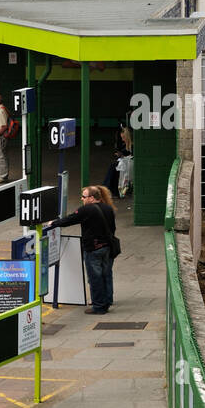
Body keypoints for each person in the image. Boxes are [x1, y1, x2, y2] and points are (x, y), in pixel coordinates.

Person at [48, 185, 117, 315]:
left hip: (93, 249)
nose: (82, 199)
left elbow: (70, 219)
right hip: (107, 247)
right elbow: (113, 228)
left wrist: (53, 224)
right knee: (105, 275)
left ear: (91, 198)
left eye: (84, 197)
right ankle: (107, 300)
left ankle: (99, 306)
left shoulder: (86, 210)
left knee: (95, 278)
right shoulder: (108, 209)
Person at [102, 123, 133, 195]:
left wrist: (122, 155)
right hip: (124, 161)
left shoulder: (132, 145)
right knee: (113, 167)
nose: (122, 139)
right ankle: (107, 188)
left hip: (128, 163)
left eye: (123, 138)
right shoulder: (124, 144)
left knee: (113, 167)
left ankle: (107, 188)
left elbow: (130, 155)